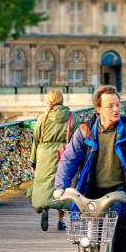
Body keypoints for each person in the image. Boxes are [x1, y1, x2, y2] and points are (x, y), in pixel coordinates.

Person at [54, 85, 126, 252]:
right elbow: (69, 160)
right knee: (87, 233)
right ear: (98, 109)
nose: (116, 110)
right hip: (90, 189)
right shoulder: (85, 131)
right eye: (110, 106)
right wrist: (60, 187)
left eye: (118, 105)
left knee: (118, 218)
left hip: (117, 190)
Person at [27, 90, 73, 231]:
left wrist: (33, 160)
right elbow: (76, 140)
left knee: (44, 185)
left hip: (44, 156)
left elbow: (36, 140)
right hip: (64, 155)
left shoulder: (42, 118)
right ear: (62, 100)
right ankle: (61, 220)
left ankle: (45, 207)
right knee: (62, 186)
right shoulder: (72, 117)